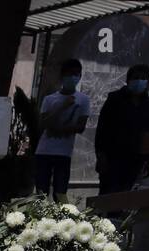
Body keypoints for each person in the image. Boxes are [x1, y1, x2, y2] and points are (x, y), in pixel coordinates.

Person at [94, 63, 149, 195]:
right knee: (107, 195)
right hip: (112, 158)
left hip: (135, 160)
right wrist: (101, 155)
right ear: (128, 80)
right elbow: (102, 129)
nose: (139, 81)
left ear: (148, 82)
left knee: (124, 196)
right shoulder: (115, 99)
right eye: (136, 78)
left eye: (143, 78)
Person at [34, 59, 90, 202]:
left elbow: (80, 126)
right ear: (62, 76)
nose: (73, 78)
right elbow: (43, 123)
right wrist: (62, 106)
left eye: (77, 74)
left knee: (60, 192)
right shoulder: (50, 99)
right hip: (44, 151)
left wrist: (59, 129)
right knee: (41, 191)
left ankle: (61, 221)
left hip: (64, 152)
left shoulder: (83, 100)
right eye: (69, 74)